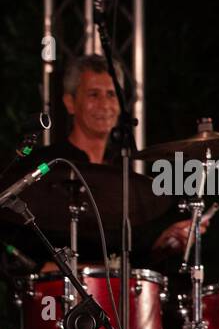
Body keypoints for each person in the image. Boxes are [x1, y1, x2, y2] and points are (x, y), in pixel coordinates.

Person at [3, 55, 203, 268]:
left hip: (112, 295)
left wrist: (162, 244)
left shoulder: (119, 173)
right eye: (93, 94)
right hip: (55, 294)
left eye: (111, 94)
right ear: (70, 102)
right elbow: (13, 237)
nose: (105, 104)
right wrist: (40, 266)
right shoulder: (49, 165)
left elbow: (125, 262)